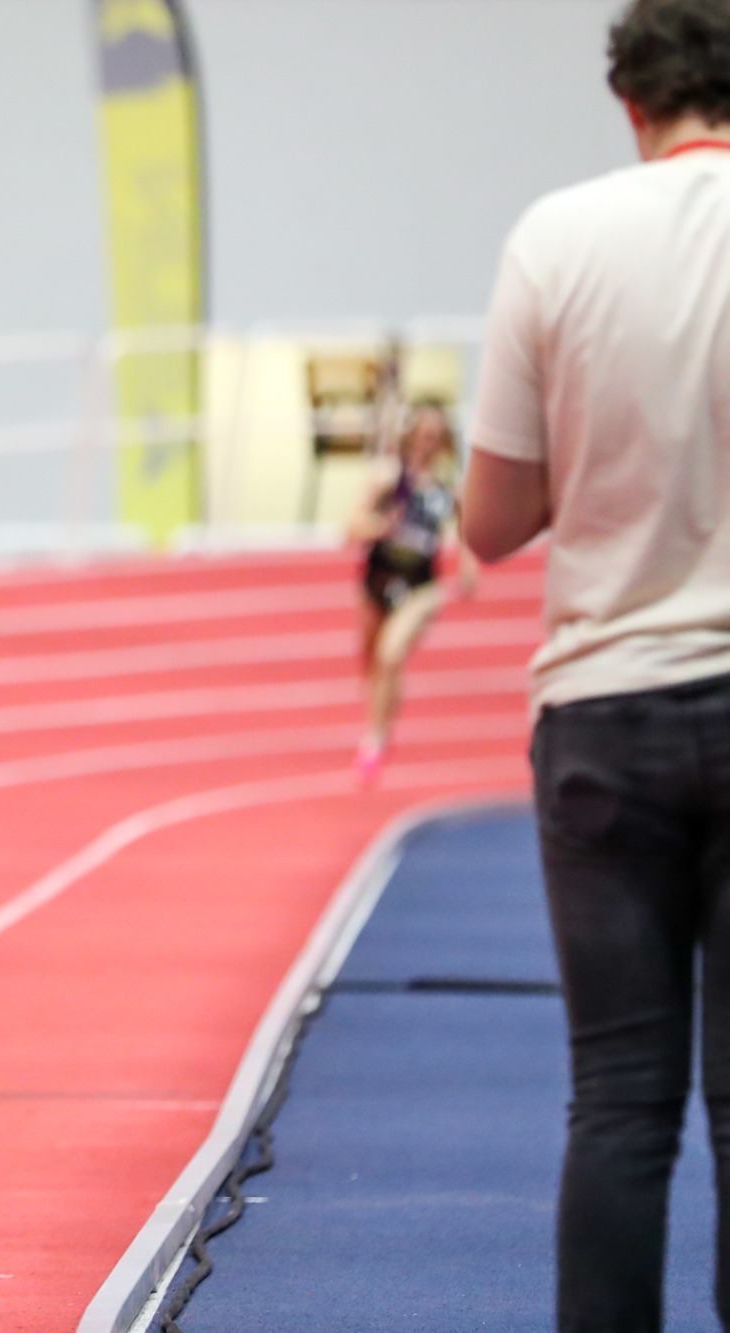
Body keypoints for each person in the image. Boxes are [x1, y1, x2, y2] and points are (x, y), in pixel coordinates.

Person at [460, 2, 730, 1327]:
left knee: (622, 1096)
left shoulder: (560, 236)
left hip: (607, 708)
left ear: (632, 103)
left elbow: (492, 521)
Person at [346, 401, 479, 781]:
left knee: (392, 652)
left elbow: (467, 524)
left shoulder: (448, 485)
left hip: (422, 586)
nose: (429, 443)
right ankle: (380, 722)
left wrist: (468, 566)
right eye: (424, 434)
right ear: (411, 436)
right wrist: (380, 526)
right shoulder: (389, 477)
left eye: (436, 437)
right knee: (372, 662)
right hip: (379, 580)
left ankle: (376, 740)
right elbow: (353, 525)